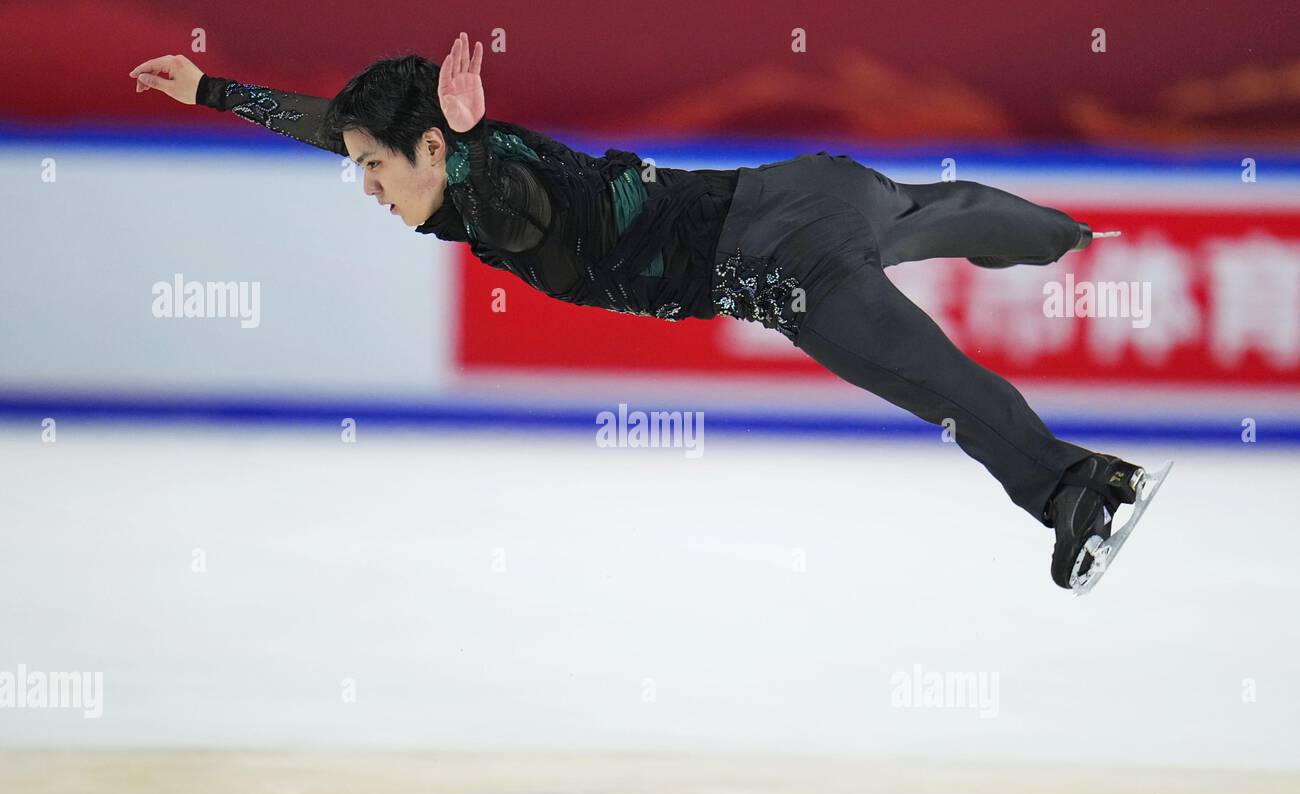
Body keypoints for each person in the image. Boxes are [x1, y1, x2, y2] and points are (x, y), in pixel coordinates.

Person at [129, 33, 1156, 592]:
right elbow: (337, 124)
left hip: (773, 257)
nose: (362, 185)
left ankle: (1076, 483)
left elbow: (502, 191)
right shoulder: (440, 168)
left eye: (371, 169)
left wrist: (475, 140)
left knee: (927, 379)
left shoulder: (487, 187)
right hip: (799, 189)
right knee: (930, 214)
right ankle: (1057, 233)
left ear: (433, 149)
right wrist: (215, 91)